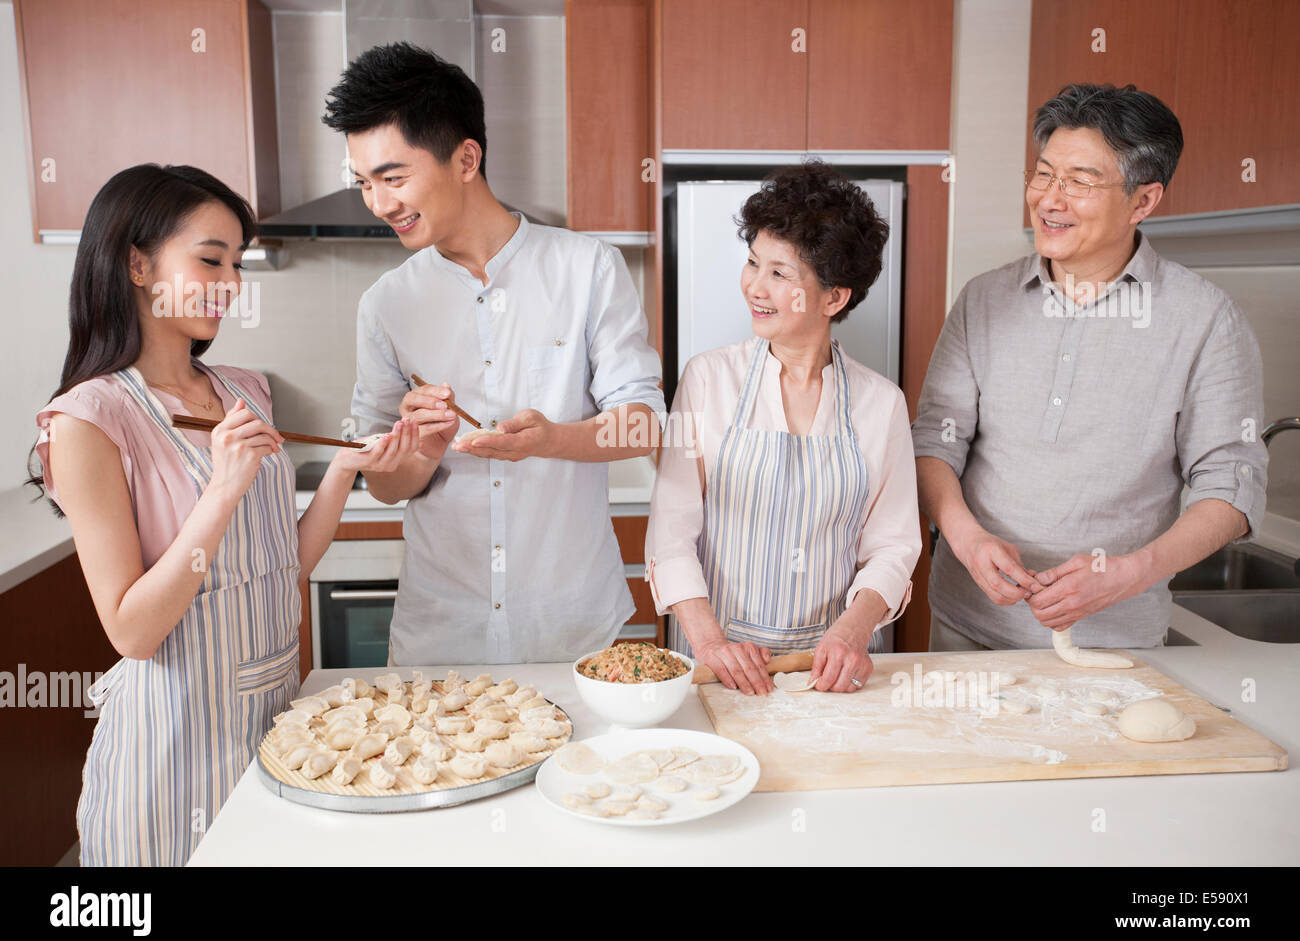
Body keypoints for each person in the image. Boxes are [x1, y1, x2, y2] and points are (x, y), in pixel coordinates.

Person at [29, 164, 416, 865]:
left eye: (237, 263)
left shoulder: (243, 389)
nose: (231, 282)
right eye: (210, 259)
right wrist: (220, 493)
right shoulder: (88, 420)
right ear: (137, 263)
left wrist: (344, 469)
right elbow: (132, 632)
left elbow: (280, 565)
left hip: (274, 728)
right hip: (170, 749)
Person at [321, 42, 666, 665]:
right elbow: (384, 482)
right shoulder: (387, 304)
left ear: (466, 158)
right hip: (441, 635)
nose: (378, 203)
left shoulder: (587, 268)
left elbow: (642, 424)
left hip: (572, 627)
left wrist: (550, 439)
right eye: (364, 182)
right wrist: (420, 450)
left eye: (394, 178)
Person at [912, 83, 1267, 652]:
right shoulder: (982, 300)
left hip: (1113, 642)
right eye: (1044, 174)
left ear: (1143, 202)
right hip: (967, 627)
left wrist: (1132, 572)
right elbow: (934, 441)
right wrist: (966, 537)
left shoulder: (1207, 321)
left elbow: (1231, 483)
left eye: (1080, 182)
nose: (1051, 199)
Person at [645, 162, 921, 695]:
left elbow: (893, 547)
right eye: (753, 263)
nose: (755, 286)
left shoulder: (880, 404)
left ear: (834, 298)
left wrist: (852, 631)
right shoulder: (708, 379)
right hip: (718, 664)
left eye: (780, 273)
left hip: (829, 671)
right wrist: (709, 644)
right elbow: (671, 531)